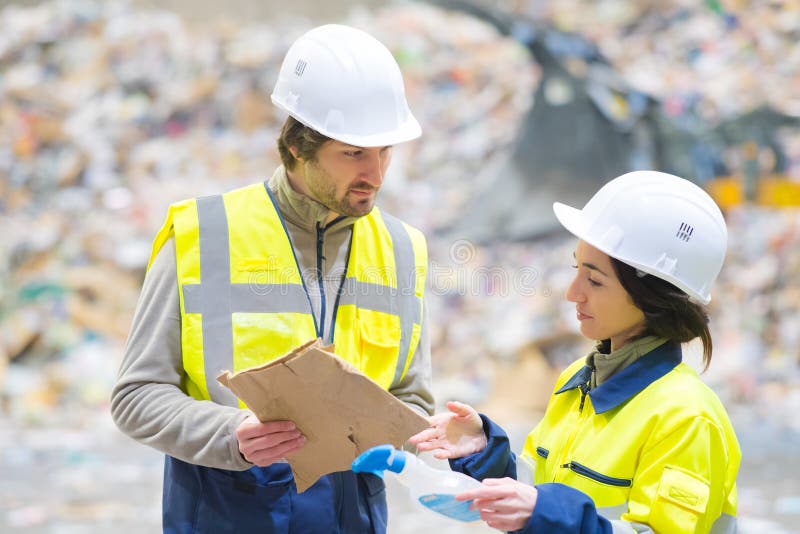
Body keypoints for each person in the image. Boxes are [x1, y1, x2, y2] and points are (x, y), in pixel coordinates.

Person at [111, 24, 433, 533]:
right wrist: (231, 433)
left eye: (385, 150)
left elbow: (413, 399)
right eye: (353, 153)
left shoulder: (400, 249)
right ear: (300, 147)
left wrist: (419, 438)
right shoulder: (204, 236)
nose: (375, 172)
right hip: (227, 513)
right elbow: (136, 397)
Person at [410, 170, 740, 533]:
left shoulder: (688, 418)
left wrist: (547, 514)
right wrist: (485, 451)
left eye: (595, 280)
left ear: (654, 298)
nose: (572, 292)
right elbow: (539, 489)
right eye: (576, 269)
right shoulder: (578, 382)